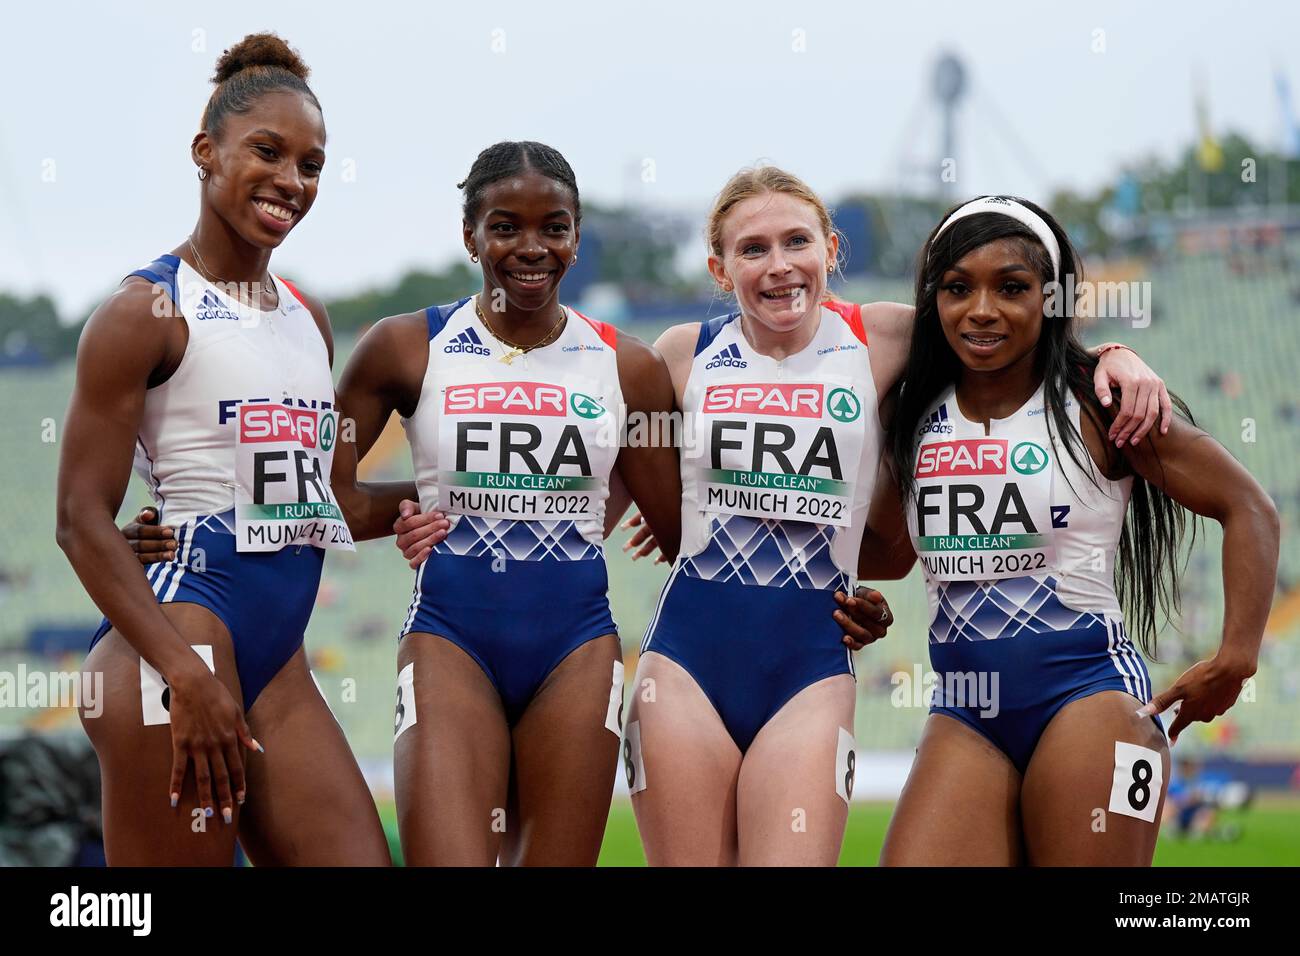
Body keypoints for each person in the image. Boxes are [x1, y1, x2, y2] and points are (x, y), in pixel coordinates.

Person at [615, 169, 1175, 866]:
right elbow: (589, 490)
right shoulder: (679, 353)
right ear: (719, 269)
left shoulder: (885, 336)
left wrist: (1115, 358)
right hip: (685, 662)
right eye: (752, 248)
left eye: (797, 240)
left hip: (809, 670)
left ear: (831, 247)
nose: (779, 263)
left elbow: (1016, 326)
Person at [56, 33, 394, 865]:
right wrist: (186, 672)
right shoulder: (145, 312)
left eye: (311, 165)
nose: (291, 181)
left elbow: (324, 500)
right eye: (268, 152)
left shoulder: (306, 321)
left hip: (276, 657)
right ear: (206, 153)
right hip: (178, 642)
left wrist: (464, 498)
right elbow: (77, 519)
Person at [870, 195, 1278, 865]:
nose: (980, 309)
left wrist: (1236, 657)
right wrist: (863, 601)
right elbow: (888, 553)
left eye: (1012, 287)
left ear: (1051, 297)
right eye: (956, 288)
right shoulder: (914, 409)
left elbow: (1249, 507)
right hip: (964, 711)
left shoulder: (1100, 401)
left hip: (1089, 697)